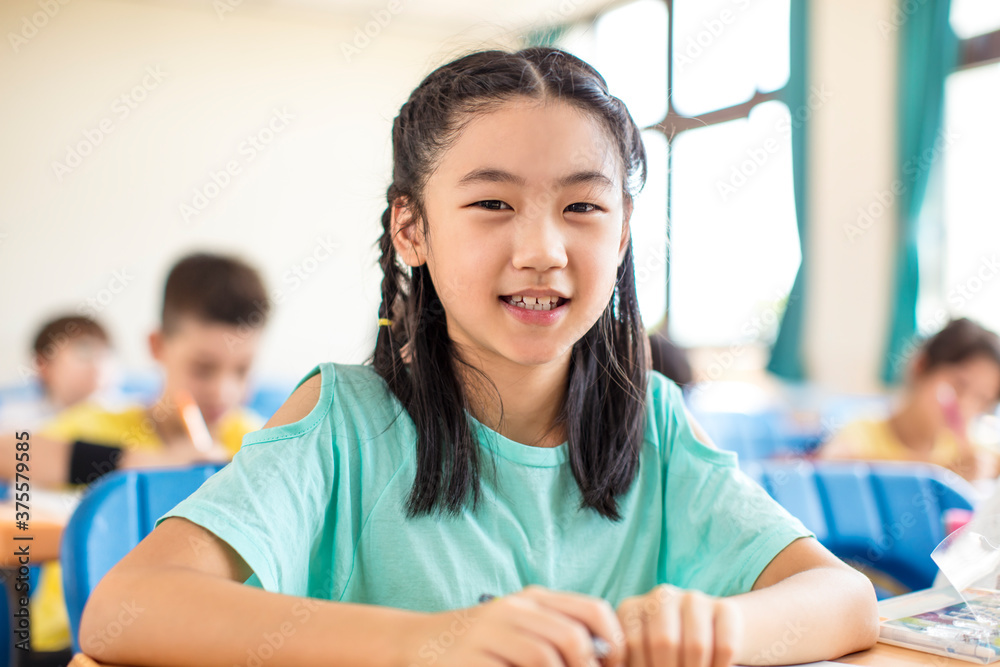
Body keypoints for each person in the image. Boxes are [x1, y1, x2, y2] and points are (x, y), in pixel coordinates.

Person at [80, 47, 878, 667]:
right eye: (492, 203)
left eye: (583, 207)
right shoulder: (342, 422)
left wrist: (719, 625)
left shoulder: (655, 424)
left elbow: (844, 598)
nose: (542, 249)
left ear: (624, 230)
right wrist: (435, 641)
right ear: (411, 230)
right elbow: (125, 607)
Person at [28, 251, 272, 654]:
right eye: (204, 368)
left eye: (242, 370)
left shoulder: (256, 437)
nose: (223, 391)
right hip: (71, 642)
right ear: (157, 346)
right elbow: (13, 453)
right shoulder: (93, 423)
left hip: (200, 643)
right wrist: (151, 464)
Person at [819, 318, 1000, 483]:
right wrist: (941, 473)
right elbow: (829, 466)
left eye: (982, 399)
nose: (965, 405)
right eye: (959, 385)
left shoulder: (967, 448)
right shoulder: (861, 432)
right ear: (921, 366)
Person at [0, 315, 114, 430]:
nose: (97, 362)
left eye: (104, 352)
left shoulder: (122, 415)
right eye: (84, 350)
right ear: (42, 363)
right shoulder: (16, 424)